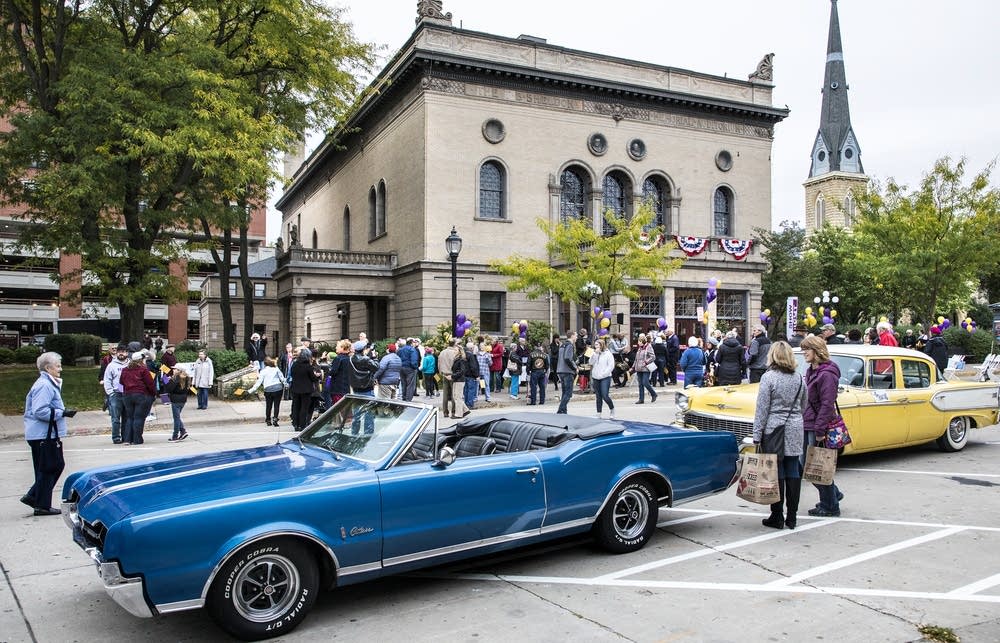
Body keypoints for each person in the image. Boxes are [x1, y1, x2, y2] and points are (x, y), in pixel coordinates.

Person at [752, 341, 805, 529]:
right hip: (795, 427)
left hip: (774, 428)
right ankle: (792, 516)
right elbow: (803, 404)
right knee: (793, 469)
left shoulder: (769, 378)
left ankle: (777, 515)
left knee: (776, 471)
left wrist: (756, 435)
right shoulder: (799, 377)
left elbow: (762, 409)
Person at [22, 351, 74, 516]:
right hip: (42, 434)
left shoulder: (48, 383)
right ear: (47, 368)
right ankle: (39, 501)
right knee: (51, 466)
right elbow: (40, 410)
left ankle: (36, 498)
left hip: (43, 433)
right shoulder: (44, 385)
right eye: (58, 366)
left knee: (48, 467)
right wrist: (62, 412)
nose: (60, 369)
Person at [801, 335, 844, 517]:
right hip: (808, 422)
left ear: (817, 351)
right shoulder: (813, 370)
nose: (804, 353)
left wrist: (820, 430)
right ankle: (833, 495)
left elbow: (827, 404)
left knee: (815, 466)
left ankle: (830, 506)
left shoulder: (826, 374)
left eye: (807, 350)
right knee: (808, 465)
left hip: (818, 425)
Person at [120, 351, 156, 445]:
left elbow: (121, 382)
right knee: (138, 418)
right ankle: (137, 439)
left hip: (127, 395)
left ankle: (127, 439)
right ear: (141, 360)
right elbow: (150, 384)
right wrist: (153, 394)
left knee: (130, 417)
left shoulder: (125, 370)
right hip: (140, 394)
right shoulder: (143, 369)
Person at [102, 343, 130, 444]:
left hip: (127, 394)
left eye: (123, 352)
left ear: (127, 353)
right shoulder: (111, 365)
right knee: (115, 418)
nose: (121, 354)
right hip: (116, 394)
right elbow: (107, 380)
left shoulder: (130, 364)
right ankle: (116, 437)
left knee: (126, 418)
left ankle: (125, 436)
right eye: (119, 352)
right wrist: (110, 393)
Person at [246, 356, 286, 426]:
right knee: (277, 405)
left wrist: (250, 390)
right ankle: (275, 419)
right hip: (278, 388)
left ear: (264, 364)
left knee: (268, 405)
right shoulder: (276, 369)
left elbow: (258, 383)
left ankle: (268, 420)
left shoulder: (263, 371)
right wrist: (286, 385)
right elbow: (282, 378)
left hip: (268, 390)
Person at [290, 348, 319, 430]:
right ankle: (302, 425)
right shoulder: (308, 366)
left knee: (296, 406)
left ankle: (296, 424)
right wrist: (317, 376)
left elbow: (292, 374)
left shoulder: (294, 364)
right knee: (304, 408)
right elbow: (313, 378)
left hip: (295, 389)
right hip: (306, 390)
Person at [589, 339, 616, 419]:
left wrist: (604, 374)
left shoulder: (608, 354)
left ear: (601, 345)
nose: (595, 346)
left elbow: (611, 366)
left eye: (597, 345)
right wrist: (594, 354)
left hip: (605, 377)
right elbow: (590, 362)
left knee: (605, 395)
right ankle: (599, 412)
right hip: (596, 377)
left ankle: (612, 409)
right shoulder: (594, 353)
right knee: (598, 396)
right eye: (595, 345)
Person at [163, 367, 190, 441]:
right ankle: (183, 431)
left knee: (176, 419)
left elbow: (169, 389)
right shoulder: (187, 377)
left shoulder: (175, 378)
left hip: (175, 400)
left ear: (179, 371)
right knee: (177, 417)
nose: (173, 370)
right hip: (183, 400)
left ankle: (175, 436)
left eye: (175, 369)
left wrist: (166, 380)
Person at [631, 333, 658, 404]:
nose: (637, 343)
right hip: (638, 368)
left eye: (639, 342)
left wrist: (646, 362)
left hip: (645, 368)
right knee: (640, 384)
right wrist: (633, 367)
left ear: (642, 342)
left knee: (645, 382)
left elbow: (653, 357)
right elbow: (636, 359)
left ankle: (653, 394)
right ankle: (641, 399)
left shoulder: (648, 347)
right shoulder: (639, 348)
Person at [556, 331, 578, 414]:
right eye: (576, 336)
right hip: (567, 371)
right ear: (572, 336)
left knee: (564, 392)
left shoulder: (562, 345)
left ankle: (564, 412)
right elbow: (567, 358)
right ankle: (560, 410)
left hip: (561, 370)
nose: (576, 337)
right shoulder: (569, 345)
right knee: (568, 394)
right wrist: (575, 367)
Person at [326, 340, 352, 406]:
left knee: (338, 408)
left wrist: (329, 369)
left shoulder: (338, 358)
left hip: (337, 389)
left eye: (337, 346)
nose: (336, 348)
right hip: (346, 388)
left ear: (343, 348)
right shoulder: (349, 358)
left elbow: (332, 372)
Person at [438, 339, 458, 417]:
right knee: (454, 394)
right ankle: (453, 411)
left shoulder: (442, 352)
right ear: (454, 344)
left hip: (444, 374)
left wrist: (441, 373)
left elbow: (439, 364)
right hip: (452, 374)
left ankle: (445, 412)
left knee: (445, 395)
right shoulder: (455, 353)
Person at [450, 344, 469, 418]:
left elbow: (462, 371)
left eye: (455, 350)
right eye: (453, 350)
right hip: (456, 379)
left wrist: (452, 376)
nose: (453, 351)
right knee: (456, 396)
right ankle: (465, 410)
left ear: (459, 351)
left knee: (458, 397)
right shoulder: (456, 359)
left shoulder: (461, 360)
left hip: (460, 380)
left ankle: (458, 414)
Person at [527, 341, 549, 405]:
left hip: (534, 372)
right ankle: (542, 401)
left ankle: (533, 401)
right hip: (542, 372)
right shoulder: (544, 355)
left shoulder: (531, 354)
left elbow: (528, 364)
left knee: (533, 387)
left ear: (535, 347)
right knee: (542, 387)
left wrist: (528, 372)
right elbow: (547, 365)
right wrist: (545, 371)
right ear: (540, 347)